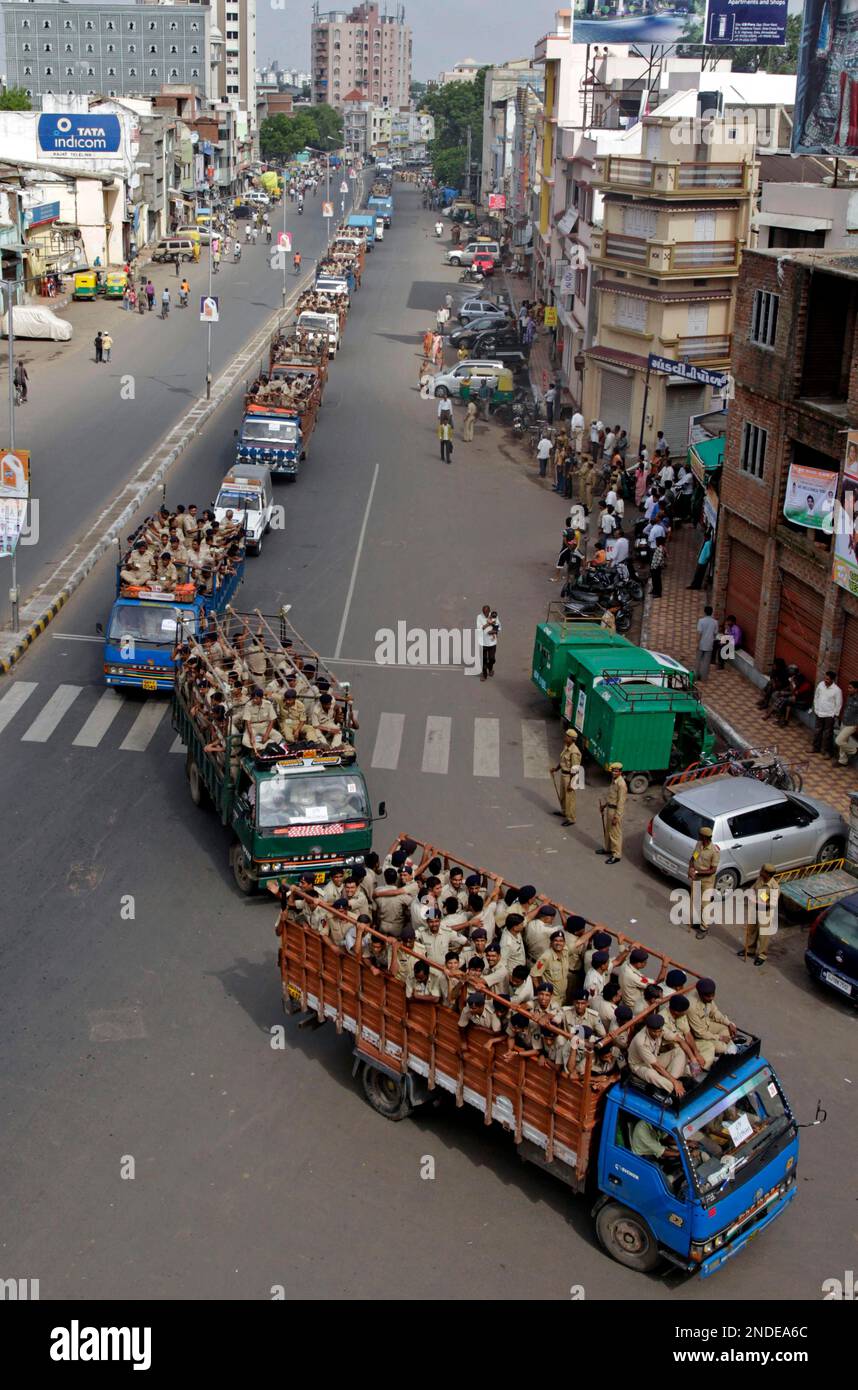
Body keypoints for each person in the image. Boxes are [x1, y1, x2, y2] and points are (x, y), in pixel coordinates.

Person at [628, 1015, 685, 1097]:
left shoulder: (661, 1029)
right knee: (653, 1076)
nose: (657, 1034)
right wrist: (674, 1082)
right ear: (647, 1028)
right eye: (654, 1032)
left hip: (655, 1059)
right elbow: (655, 1065)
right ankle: (674, 1088)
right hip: (640, 1065)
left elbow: (678, 1039)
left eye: (659, 1031)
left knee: (679, 1051)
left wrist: (693, 1057)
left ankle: (674, 1080)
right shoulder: (640, 1041)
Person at [737, 864, 778, 966]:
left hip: (765, 913)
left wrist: (757, 902)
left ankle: (762, 955)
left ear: (768, 874)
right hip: (754, 910)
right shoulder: (760, 879)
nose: (760, 871)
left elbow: (771, 904)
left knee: (763, 936)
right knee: (751, 931)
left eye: (762, 871)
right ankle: (750, 949)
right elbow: (753, 889)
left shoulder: (774, 887)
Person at [688, 825, 720, 941]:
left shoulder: (714, 851)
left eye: (700, 835)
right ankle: (697, 922)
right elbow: (693, 858)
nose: (698, 837)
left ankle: (704, 928)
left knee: (704, 905)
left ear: (705, 837)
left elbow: (713, 870)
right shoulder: (699, 844)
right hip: (696, 877)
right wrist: (690, 868)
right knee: (696, 901)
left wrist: (696, 872)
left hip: (707, 881)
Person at [597, 762, 627, 865]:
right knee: (608, 831)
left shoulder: (621, 784)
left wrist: (617, 817)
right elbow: (611, 796)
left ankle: (616, 855)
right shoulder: (613, 781)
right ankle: (607, 849)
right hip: (609, 809)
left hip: (615, 811)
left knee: (615, 834)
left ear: (620, 772)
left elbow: (621, 803)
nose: (614, 772)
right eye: (613, 770)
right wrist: (604, 805)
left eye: (616, 771)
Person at [551, 728, 581, 826]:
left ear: (572, 739)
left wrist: (572, 783)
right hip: (563, 774)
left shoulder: (574, 752)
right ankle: (564, 812)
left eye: (567, 736)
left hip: (570, 776)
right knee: (563, 796)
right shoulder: (566, 747)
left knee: (570, 799)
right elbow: (562, 761)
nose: (565, 737)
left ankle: (571, 818)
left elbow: (575, 769)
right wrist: (556, 769)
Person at [813, 670, 843, 755]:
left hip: (829, 715)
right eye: (825, 678)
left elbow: (839, 704)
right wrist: (816, 708)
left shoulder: (837, 690)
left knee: (828, 734)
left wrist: (835, 715)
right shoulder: (821, 685)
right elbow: (816, 697)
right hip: (819, 713)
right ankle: (816, 748)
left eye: (828, 679)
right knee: (817, 731)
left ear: (832, 680)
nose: (825, 681)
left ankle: (827, 752)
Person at [835, 678, 858, 765]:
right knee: (843, 741)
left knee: (839, 741)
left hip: (852, 724)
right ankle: (843, 761)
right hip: (844, 721)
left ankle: (854, 750)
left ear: (856, 689)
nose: (848, 689)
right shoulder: (850, 696)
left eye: (850, 688)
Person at [695, 605, 719, 681]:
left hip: (701, 643)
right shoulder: (715, 622)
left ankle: (695, 676)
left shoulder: (701, 621)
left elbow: (699, 633)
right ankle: (704, 678)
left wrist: (697, 643)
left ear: (704, 612)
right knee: (706, 662)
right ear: (711, 613)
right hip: (709, 644)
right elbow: (715, 633)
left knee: (698, 660)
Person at [476, 604, 500, 680]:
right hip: (483, 642)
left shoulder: (494, 615)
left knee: (492, 658)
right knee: (484, 659)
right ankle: (484, 675)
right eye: (484, 612)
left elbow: (499, 626)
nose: (485, 614)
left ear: (489, 611)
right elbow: (480, 628)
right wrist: (488, 624)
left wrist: (494, 631)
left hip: (492, 642)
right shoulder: (479, 617)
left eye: (486, 612)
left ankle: (490, 668)